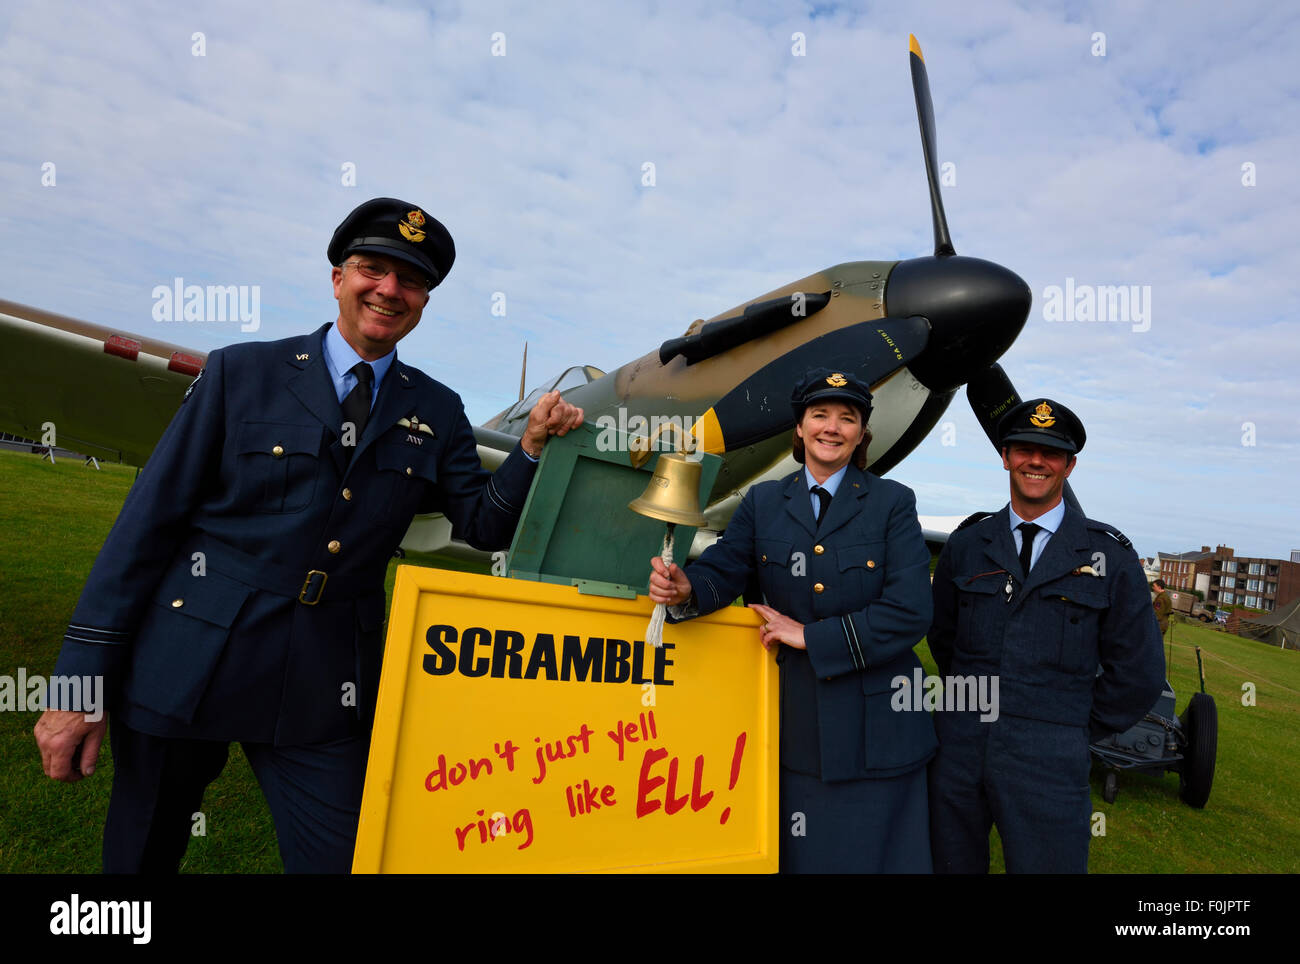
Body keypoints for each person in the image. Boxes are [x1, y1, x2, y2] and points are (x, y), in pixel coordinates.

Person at [33, 197, 583, 872]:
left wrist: (529, 448)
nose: (388, 289)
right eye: (372, 269)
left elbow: (483, 525)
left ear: (423, 301)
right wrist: (74, 692)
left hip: (324, 684)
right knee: (141, 855)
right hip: (188, 662)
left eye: (409, 280)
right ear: (337, 278)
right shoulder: (242, 373)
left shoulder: (436, 409)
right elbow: (143, 531)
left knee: (349, 858)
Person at [649, 369, 935, 873]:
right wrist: (687, 588)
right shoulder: (763, 503)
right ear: (799, 430)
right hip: (792, 724)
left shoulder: (893, 504)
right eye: (819, 415)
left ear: (861, 434)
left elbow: (910, 611)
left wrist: (810, 635)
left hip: (877, 732)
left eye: (847, 419)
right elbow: (726, 567)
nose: (832, 427)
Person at [927, 398, 1163, 873]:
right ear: (1006, 455)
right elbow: (944, 638)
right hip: (960, 751)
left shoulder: (1108, 556)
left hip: (1051, 759)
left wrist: (1069, 726)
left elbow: (1138, 672)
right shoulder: (969, 544)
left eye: (1051, 452)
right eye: (1025, 449)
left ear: (1069, 465)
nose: (1036, 461)